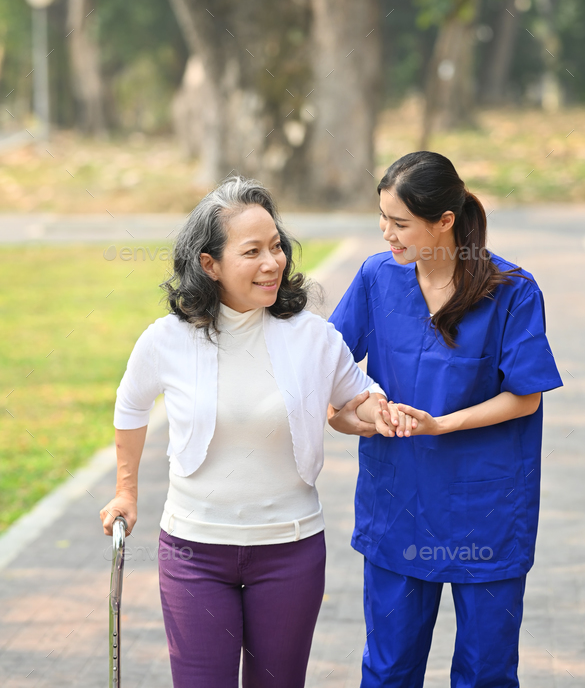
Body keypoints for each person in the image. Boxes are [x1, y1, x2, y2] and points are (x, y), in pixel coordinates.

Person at [99, 176, 391, 688]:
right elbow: (131, 404)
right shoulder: (167, 340)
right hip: (194, 551)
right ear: (209, 264)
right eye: (252, 251)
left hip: (292, 550)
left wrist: (384, 412)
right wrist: (126, 489)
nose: (273, 262)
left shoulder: (313, 337)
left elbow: (357, 398)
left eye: (276, 246)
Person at [328, 151, 563, 688]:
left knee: (486, 673)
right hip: (399, 508)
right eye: (382, 218)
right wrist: (358, 415)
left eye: (400, 223)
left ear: (445, 222)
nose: (386, 233)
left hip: (486, 514)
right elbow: (327, 370)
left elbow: (525, 398)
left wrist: (440, 424)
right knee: (389, 670)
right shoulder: (376, 278)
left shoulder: (512, 289)